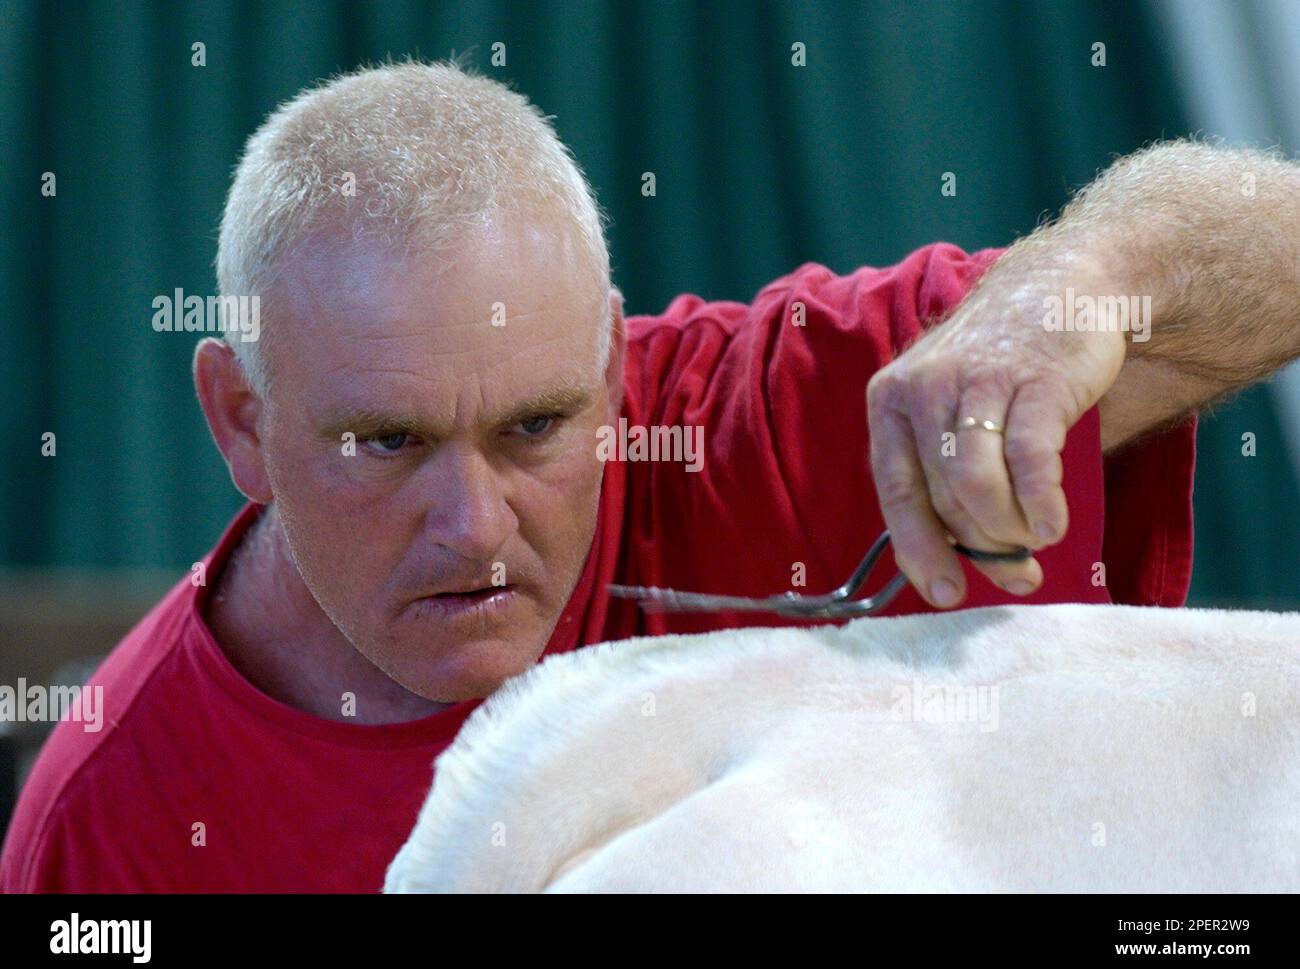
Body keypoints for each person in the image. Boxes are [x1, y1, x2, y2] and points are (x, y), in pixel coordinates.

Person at [3, 60, 1298, 892]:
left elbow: (1273, 242)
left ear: (616, 364)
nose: (474, 528)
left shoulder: (806, 417)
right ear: (239, 419)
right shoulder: (111, 835)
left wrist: (1078, 291)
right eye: (384, 443)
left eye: (536, 427)